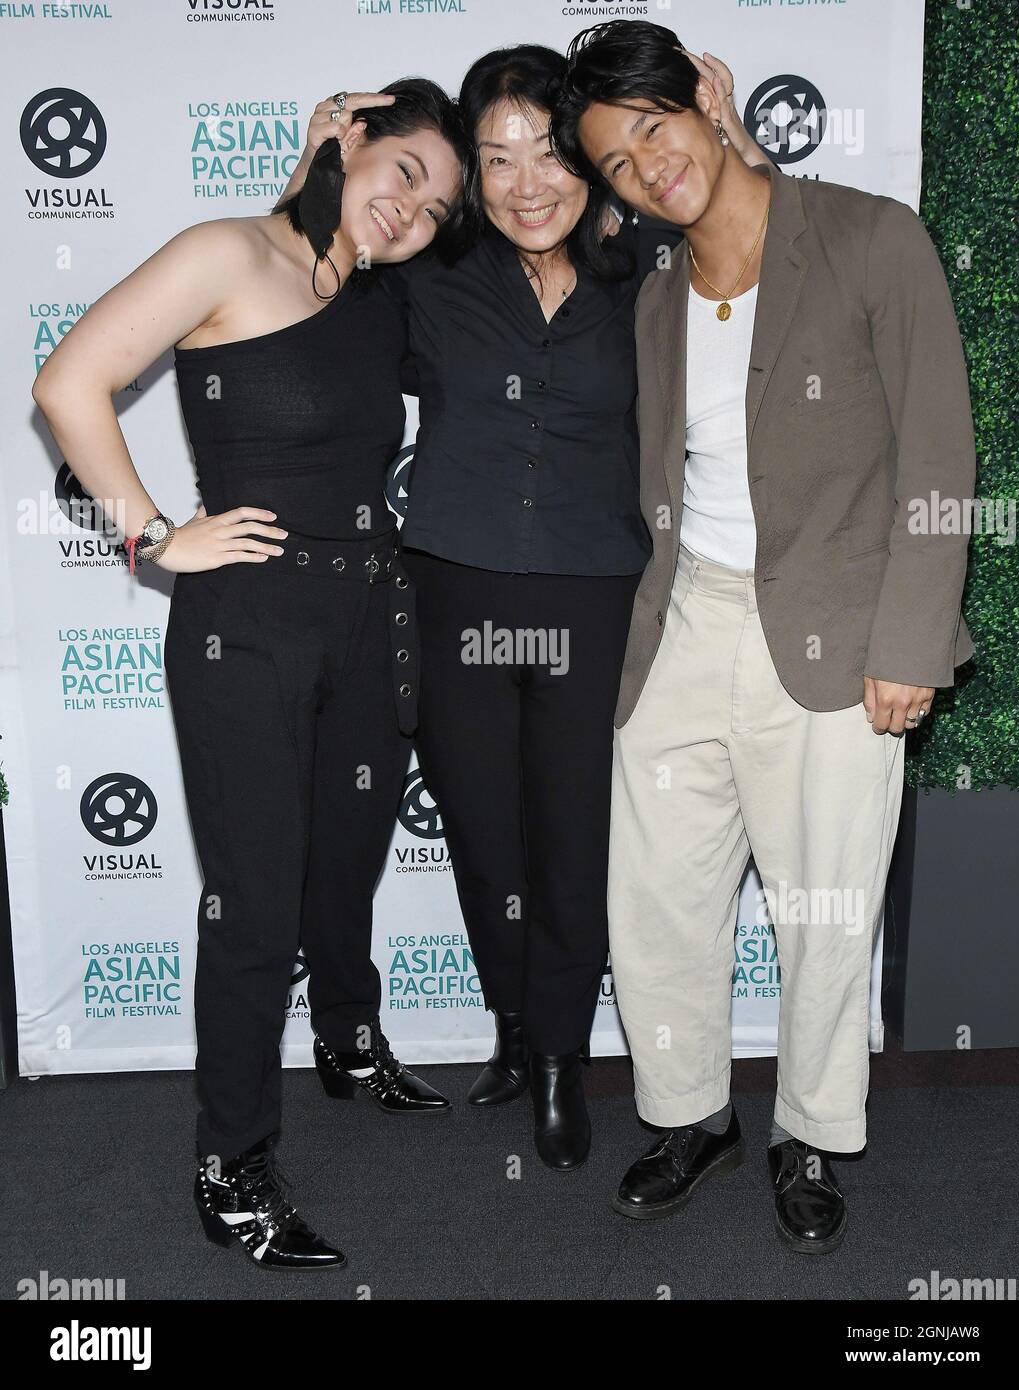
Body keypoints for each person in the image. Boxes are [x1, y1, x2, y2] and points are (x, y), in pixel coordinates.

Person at [285, 45, 762, 1173]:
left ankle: (556, 1058)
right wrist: (314, 172)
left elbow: (773, 256)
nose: (522, 181)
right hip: (449, 591)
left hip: (599, 597)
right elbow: (300, 296)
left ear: (588, 157)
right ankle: (513, 1025)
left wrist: (730, 140)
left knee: (576, 838)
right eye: (492, 159)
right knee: (486, 839)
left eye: (545, 150)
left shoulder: (650, 266)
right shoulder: (430, 275)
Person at [552, 20, 976, 1250]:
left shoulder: (867, 236)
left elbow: (940, 459)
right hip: (685, 623)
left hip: (840, 631)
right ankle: (691, 1116)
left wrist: (909, 640)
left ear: (702, 100)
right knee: (661, 899)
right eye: (616, 163)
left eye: (652, 127)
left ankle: (807, 1129)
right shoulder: (654, 295)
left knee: (827, 904)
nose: (645, 167)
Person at [32, 80, 470, 1271]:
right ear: (351, 139)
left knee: (351, 855)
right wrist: (150, 534)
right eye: (403, 174)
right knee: (253, 903)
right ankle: (231, 1160)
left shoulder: (378, 299)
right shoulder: (225, 251)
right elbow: (66, 382)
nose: (411, 211)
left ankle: (348, 1036)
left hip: (370, 612)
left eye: (435, 207)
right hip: (249, 626)